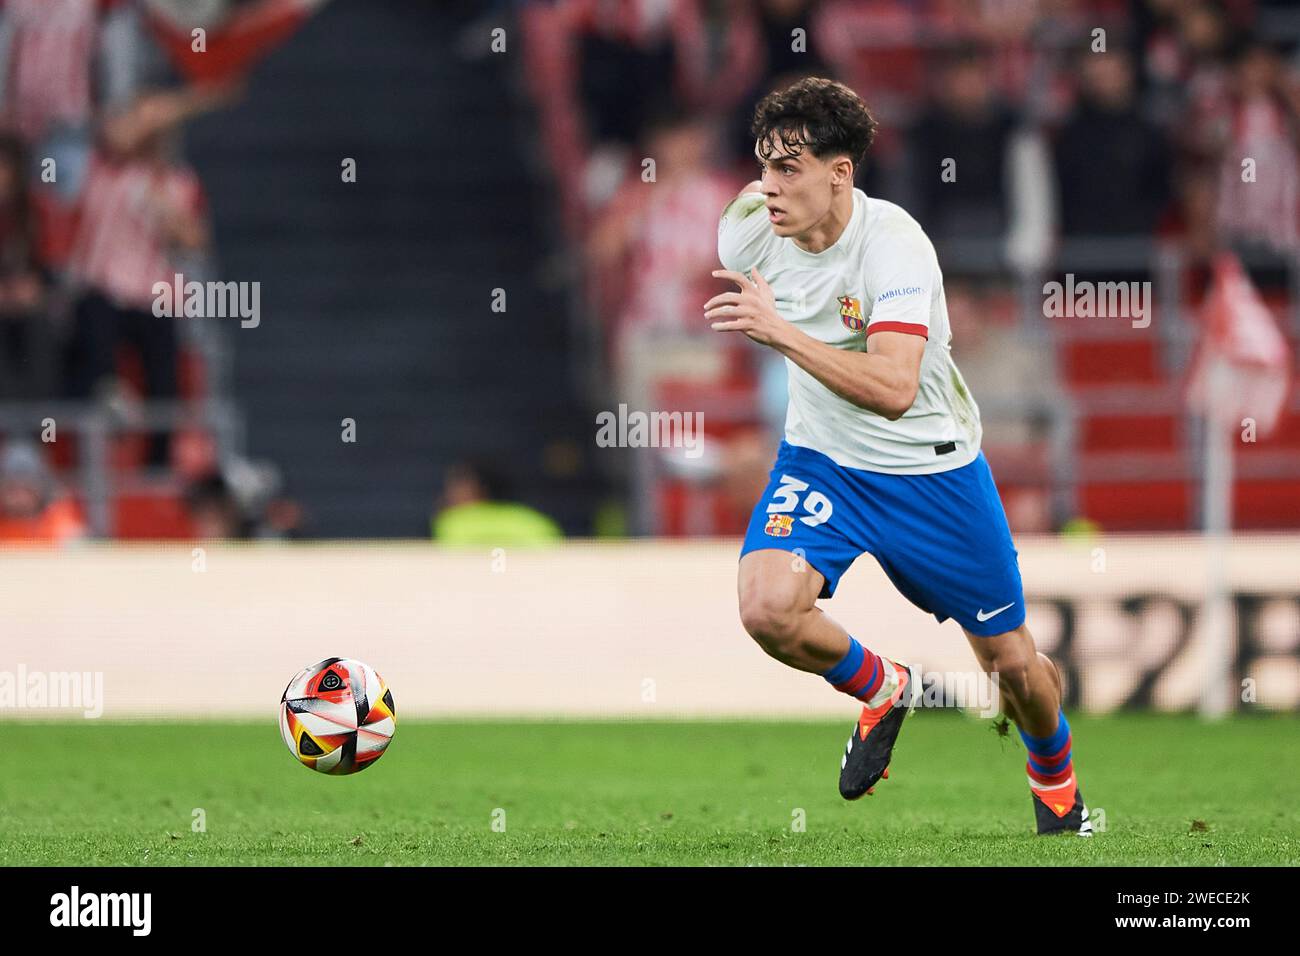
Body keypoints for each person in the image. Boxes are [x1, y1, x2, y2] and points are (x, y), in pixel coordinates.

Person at [704, 77, 1089, 835]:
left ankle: (1054, 772)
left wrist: (780, 333)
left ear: (840, 173)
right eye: (764, 166)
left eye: (790, 169)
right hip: (823, 461)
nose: (769, 188)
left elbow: (893, 388)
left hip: (931, 472)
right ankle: (884, 686)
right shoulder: (746, 232)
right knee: (767, 608)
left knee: (1012, 669)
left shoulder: (896, 245)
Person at [432, 459, 562, 547]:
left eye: (457, 486)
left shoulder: (451, 523)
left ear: (481, 490)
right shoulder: (535, 521)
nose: (449, 493)